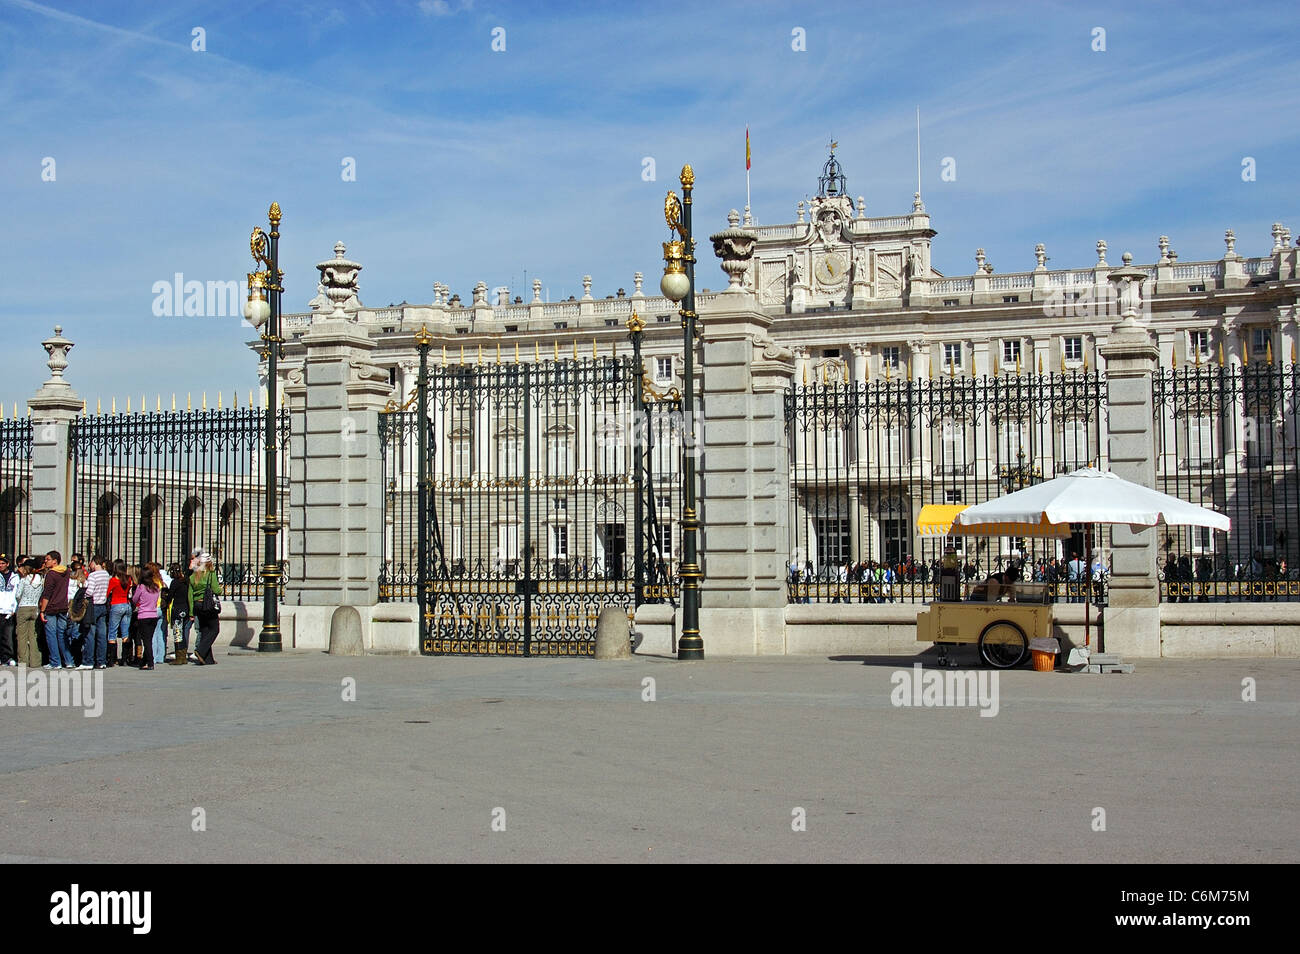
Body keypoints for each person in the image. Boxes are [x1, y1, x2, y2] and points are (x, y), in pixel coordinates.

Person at [37, 551, 74, 669]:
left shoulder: (51, 574)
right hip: (63, 606)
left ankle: (55, 662)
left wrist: (42, 611)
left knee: (51, 635)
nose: (45, 561)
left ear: (55, 561)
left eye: (48, 559)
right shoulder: (66, 572)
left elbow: (47, 594)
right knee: (62, 634)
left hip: (51, 608)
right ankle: (68, 661)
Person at [188, 550, 222, 666]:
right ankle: (200, 650)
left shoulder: (193, 576)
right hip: (207, 605)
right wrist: (220, 590)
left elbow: (190, 595)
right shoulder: (210, 573)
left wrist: (191, 612)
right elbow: (216, 589)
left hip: (197, 606)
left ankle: (208, 659)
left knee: (205, 630)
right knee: (214, 629)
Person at [130, 565, 163, 670]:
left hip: (143, 615)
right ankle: (144, 661)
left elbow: (135, 599)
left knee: (146, 641)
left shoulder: (141, 587)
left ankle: (150, 662)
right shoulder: (156, 587)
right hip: (153, 615)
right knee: (149, 638)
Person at [15, 560, 45, 667]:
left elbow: (18, 595)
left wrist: (20, 603)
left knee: (22, 636)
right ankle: (35, 661)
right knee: (33, 635)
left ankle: (23, 661)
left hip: (23, 607)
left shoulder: (24, 580)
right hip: (35, 607)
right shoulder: (41, 580)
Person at [84, 554, 111, 671]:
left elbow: (89, 592)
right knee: (101, 635)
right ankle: (101, 661)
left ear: (94, 562)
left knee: (90, 634)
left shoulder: (92, 575)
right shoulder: (106, 574)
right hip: (103, 605)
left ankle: (88, 661)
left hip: (93, 605)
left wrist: (83, 594)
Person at [106, 559, 133, 666]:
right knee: (125, 633)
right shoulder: (128, 579)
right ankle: (125, 659)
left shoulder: (113, 580)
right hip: (127, 605)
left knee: (112, 633)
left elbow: (107, 593)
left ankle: (112, 659)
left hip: (116, 605)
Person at [0, 555, 18, 666]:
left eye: (3, 563)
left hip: (9, 610)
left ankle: (8, 657)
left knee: (8, 636)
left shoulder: (15, 577)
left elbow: (17, 594)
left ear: (7, 564)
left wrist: (14, 609)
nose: (1, 565)